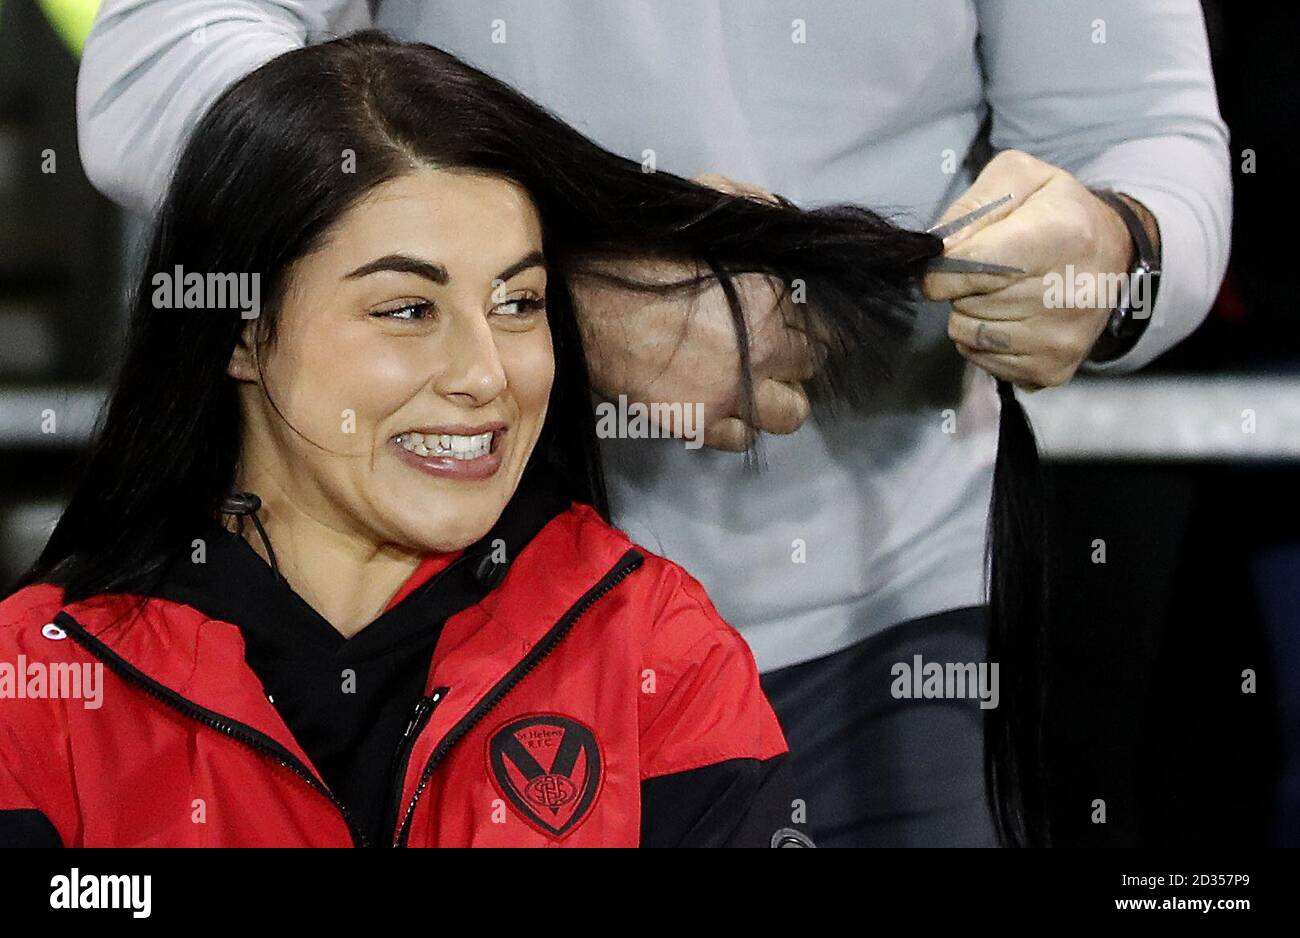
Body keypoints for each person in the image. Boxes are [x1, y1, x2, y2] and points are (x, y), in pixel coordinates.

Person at [74, 1, 1231, 846]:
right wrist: (556, 286)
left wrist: (1115, 248)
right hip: (446, 633)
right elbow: (160, 60)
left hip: (885, 623)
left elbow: (1148, 133)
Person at [0, 31, 958, 847]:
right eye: (408, 307)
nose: (485, 374)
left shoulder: (655, 648)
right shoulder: (39, 681)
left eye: (520, 303)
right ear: (243, 332)